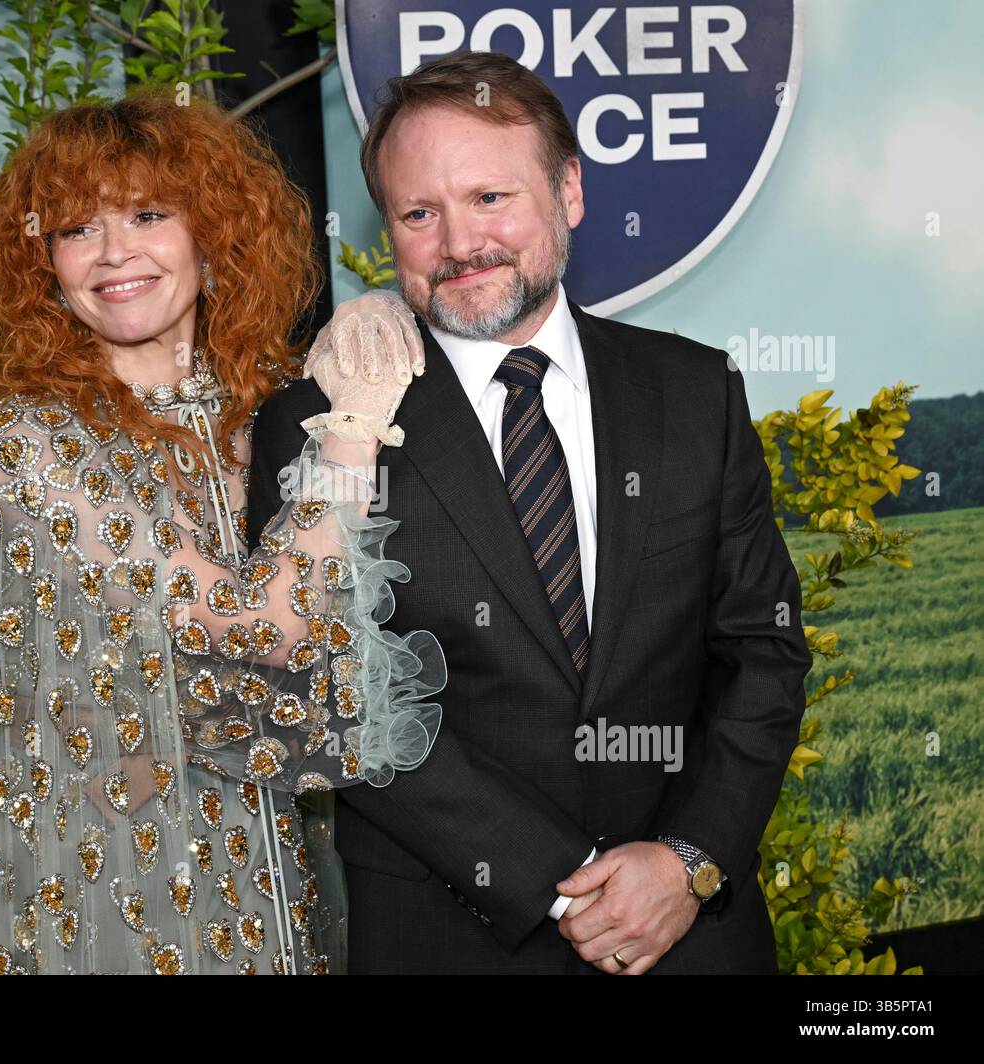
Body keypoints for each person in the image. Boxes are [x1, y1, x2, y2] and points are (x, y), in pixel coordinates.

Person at [247, 50, 813, 974]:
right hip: (445, 933)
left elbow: (763, 649)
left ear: (570, 192)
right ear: (386, 228)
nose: (459, 244)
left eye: (490, 199)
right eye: (419, 213)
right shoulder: (321, 421)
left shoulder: (693, 390)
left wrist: (689, 861)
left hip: (692, 933)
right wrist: (568, 878)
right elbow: (329, 694)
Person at [0, 91, 444, 975]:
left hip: (299, 888)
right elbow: (258, 632)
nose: (115, 253)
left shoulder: (272, 405)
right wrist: (354, 423)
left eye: (148, 215)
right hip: (117, 903)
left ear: (212, 231)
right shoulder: (29, 439)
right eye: (78, 230)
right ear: (42, 260)